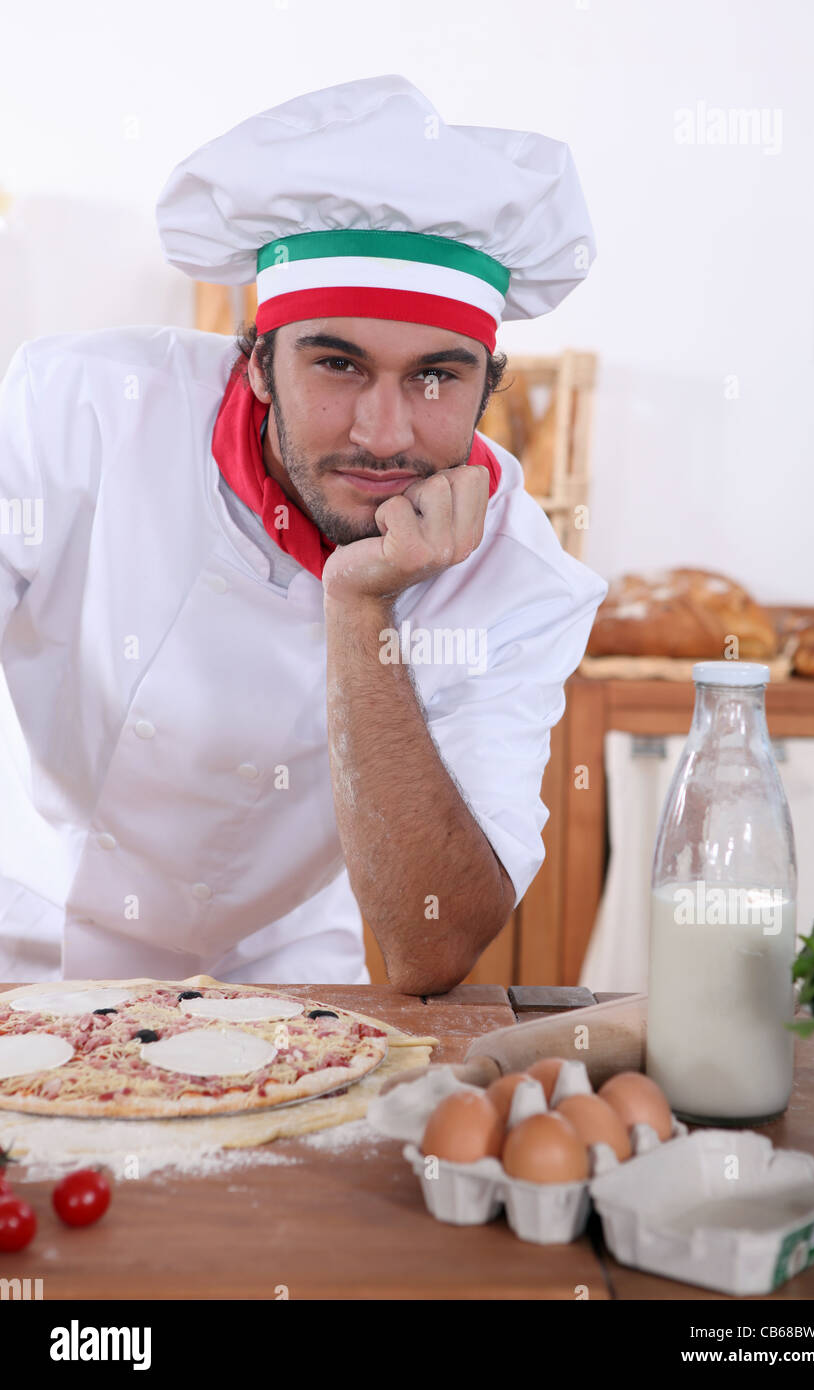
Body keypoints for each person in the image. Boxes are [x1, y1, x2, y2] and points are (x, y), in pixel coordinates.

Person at [0, 74, 608, 991]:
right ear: (256, 364)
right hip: (18, 926)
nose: (384, 433)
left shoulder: (520, 581)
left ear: (488, 385)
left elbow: (432, 945)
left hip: (276, 981)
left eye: (437, 377)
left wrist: (361, 605)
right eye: (338, 364)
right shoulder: (78, 410)